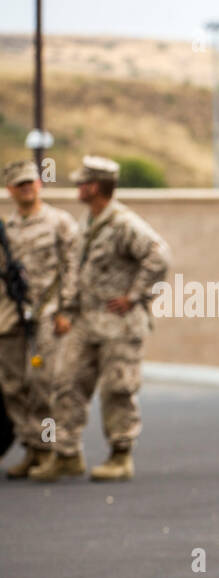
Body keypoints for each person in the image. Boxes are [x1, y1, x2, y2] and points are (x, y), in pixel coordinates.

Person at [30, 156, 169, 482]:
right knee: (66, 384)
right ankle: (66, 454)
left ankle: (120, 457)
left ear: (94, 187)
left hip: (119, 325)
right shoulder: (88, 222)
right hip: (86, 322)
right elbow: (76, 272)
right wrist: (67, 310)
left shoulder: (123, 222)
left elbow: (158, 254)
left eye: (81, 182)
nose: (77, 187)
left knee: (117, 389)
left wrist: (134, 296)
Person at [3, 159, 80, 478]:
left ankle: (50, 449)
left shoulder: (59, 222)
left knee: (43, 385)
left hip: (48, 315)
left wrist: (67, 310)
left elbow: (71, 268)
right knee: (13, 386)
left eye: (30, 182)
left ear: (40, 184)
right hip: (11, 317)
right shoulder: (6, 230)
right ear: (10, 190)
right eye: (20, 184)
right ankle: (32, 448)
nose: (27, 188)